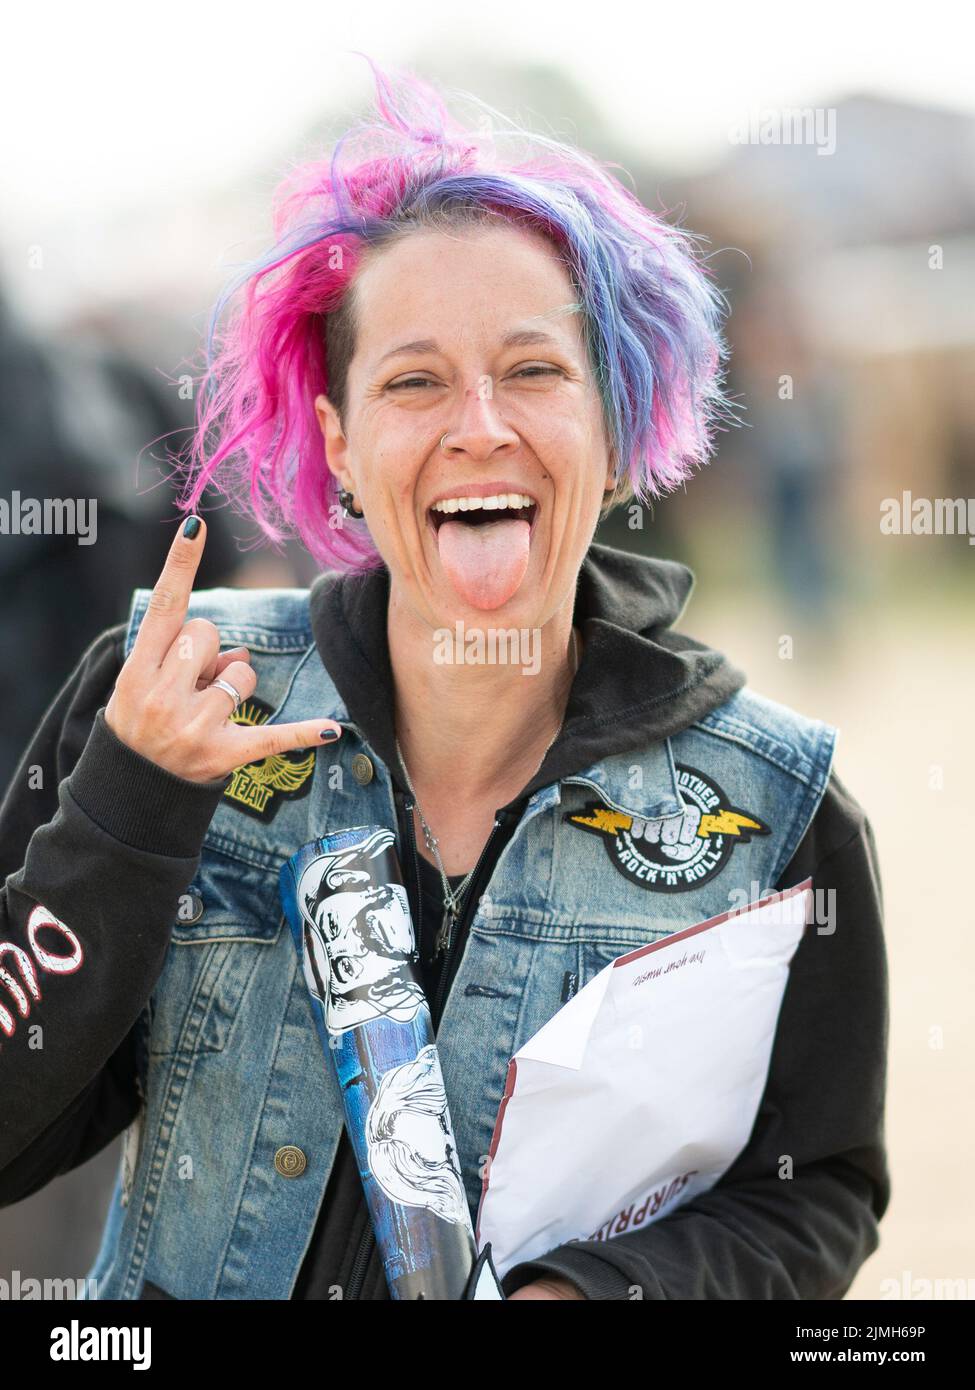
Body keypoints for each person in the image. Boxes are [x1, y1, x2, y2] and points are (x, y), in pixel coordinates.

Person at [0, 57, 889, 1300]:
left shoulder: (782, 805)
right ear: (338, 441)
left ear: (615, 421)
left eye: (534, 371)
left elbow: (823, 1189)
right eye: (413, 380)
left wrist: (598, 1292)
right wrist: (130, 811)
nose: (479, 423)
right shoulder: (169, 690)